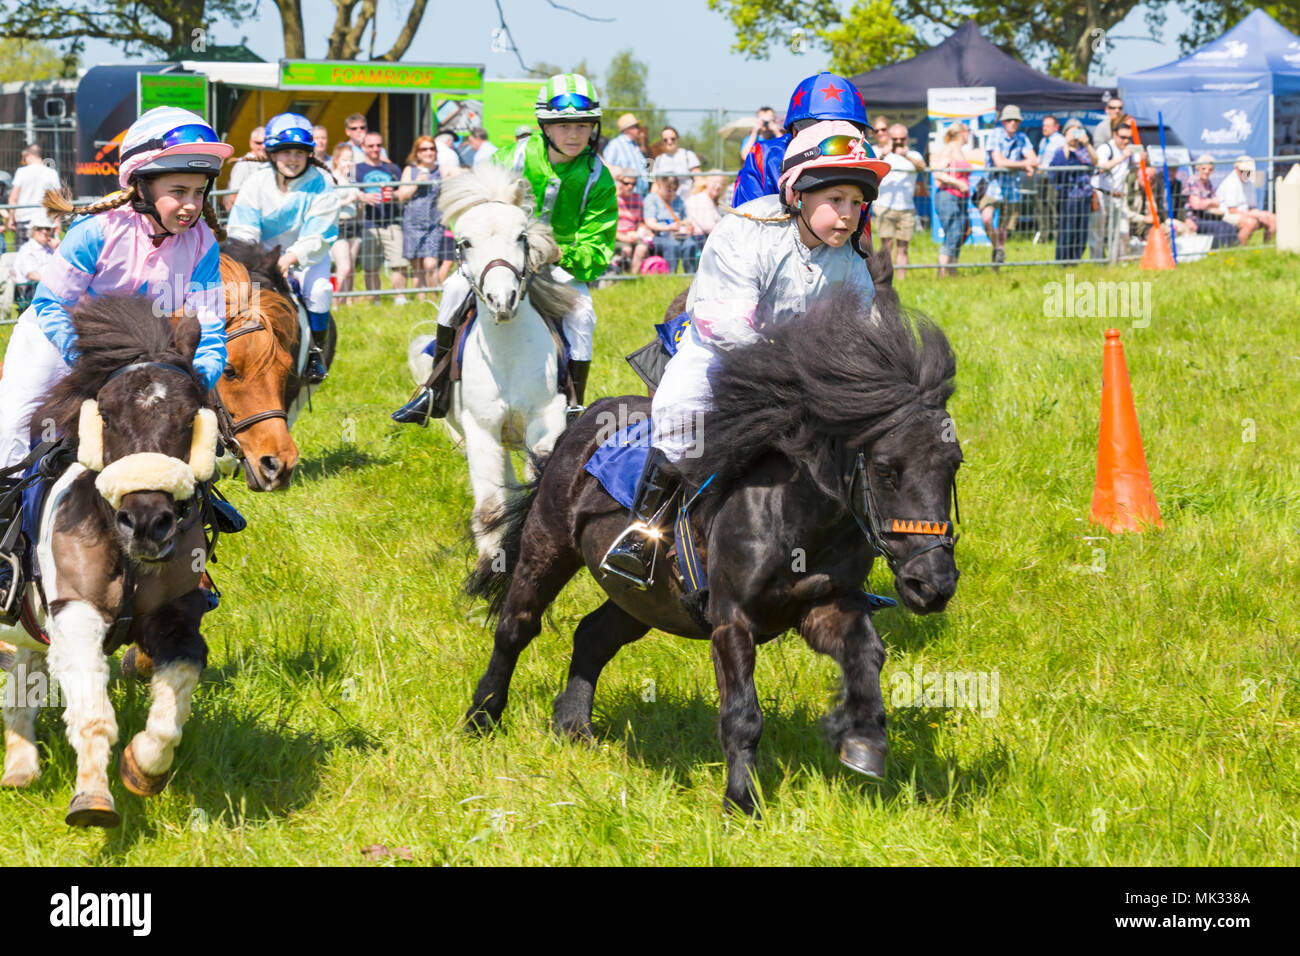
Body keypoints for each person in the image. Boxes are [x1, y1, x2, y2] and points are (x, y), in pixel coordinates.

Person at [600, 121, 890, 587]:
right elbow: (723, 324)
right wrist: (793, 367)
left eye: (857, 203)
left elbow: (863, 329)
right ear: (798, 194)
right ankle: (644, 534)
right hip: (719, 354)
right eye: (835, 200)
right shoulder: (743, 229)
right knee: (681, 409)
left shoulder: (851, 263)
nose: (849, 214)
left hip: (800, 372)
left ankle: (846, 556)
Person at [0, 107, 233, 614]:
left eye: (198, 192)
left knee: (185, 440)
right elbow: (50, 306)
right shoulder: (96, 232)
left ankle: (189, 566)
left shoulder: (202, 244)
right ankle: (5, 561)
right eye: (180, 191)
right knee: (14, 441)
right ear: (142, 187)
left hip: (141, 364)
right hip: (57, 349)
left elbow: (210, 326)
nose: (191, 205)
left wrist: (199, 379)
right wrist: (94, 366)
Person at [394, 73, 617, 425]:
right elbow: (473, 202)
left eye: (582, 125)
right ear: (544, 127)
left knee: (583, 315)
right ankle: (433, 390)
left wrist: (560, 254)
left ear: (594, 126)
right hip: (499, 256)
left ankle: (574, 405)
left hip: (558, 266)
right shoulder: (512, 157)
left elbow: (598, 243)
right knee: (453, 288)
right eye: (563, 126)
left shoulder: (598, 177)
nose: (573, 134)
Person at [227, 112, 341, 384]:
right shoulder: (256, 182)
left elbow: (319, 233)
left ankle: (315, 353)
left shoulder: (322, 183)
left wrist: (290, 258)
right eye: (285, 152)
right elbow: (243, 228)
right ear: (272, 153)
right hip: (261, 257)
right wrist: (257, 260)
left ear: (309, 154)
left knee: (319, 291)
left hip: (307, 256)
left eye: (299, 153)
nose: (292, 158)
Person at [732, 72, 870, 207]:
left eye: (844, 130)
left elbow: (862, 225)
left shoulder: (858, 160)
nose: (832, 138)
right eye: (820, 131)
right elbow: (744, 222)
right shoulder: (764, 156)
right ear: (794, 131)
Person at [354, 130, 408, 306]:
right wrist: (364, 197)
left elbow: (402, 191)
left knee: (399, 263)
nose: (375, 149)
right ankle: (374, 301)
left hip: (392, 222)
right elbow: (351, 192)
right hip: (369, 223)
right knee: (371, 266)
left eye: (378, 145)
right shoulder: (358, 169)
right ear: (363, 147)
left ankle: (400, 299)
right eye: (371, 146)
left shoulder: (392, 168)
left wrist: (394, 195)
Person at [397, 135, 454, 300]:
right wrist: (416, 182)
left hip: (434, 223)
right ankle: (422, 302)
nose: (428, 152)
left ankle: (436, 299)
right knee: (417, 266)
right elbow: (402, 195)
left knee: (431, 264)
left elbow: (459, 174)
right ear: (417, 153)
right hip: (413, 223)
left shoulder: (441, 170)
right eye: (424, 149)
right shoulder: (410, 170)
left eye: (431, 149)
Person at [982, 105, 1038, 266]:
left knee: (1003, 229)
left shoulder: (1022, 138)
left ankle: (997, 263)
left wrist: (1020, 164)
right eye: (1009, 120)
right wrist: (1023, 165)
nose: (1012, 123)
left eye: (1015, 120)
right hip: (994, 185)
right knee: (986, 219)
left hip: (1012, 188)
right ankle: (999, 248)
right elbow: (999, 162)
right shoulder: (995, 135)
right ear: (1003, 122)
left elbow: (1034, 160)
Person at [875, 123, 925, 277]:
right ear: (890, 138)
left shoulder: (914, 155)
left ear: (907, 138)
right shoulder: (882, 153)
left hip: (906, 208)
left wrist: (905, 154)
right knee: (886, 246)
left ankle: (901, 278)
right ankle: (885, 277)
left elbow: (922, 167)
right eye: (895, 139)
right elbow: (873, 166)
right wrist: (885, 153)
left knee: (903, 247)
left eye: (901, 139)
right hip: (885, 206)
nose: (898, 142)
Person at [1090, 116, 1135, 262]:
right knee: (1098, 233)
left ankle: (1116, 262)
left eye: (1129, 138)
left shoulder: (1129, 150)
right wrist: (1122, 157)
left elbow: (1139, 165)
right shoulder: (1106, 148)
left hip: (1118, 196)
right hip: (1101, 194)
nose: (1126, 141)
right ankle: (1097, 264)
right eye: (1122, 137)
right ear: (1114, 135)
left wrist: (1144, 158)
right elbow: (1101, 167)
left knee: (1122, 232)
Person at [1049, 123, 1096, 262]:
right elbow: (1056, 170)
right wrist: (1067, 146)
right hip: (1068, 196)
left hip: (1085, 196)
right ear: (1065, 134)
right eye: (1071, 132)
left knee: (1081, 231)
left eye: (1078, 132)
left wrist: (1087, 144)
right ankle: (1063, 260)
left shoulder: (1085, 150)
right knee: (1067, 229)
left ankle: (1076, 259)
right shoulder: (1060, 151)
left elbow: (1095, 161)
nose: (1075, 135)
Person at [930, 123, 972, 278]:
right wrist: (958, 183)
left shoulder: (959, 150)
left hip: (960, 199)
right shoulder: (948, 149)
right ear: (962, 132)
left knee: (958, 234)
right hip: (948, 197)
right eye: (968, 132)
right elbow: (938, 174)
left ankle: (952, 274)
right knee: (953, 234)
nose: (969, 135)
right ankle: (942, 274)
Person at [643, 174, 700, 274]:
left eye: (675, 190)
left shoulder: (679, 200)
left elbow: (684, 219)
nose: (672, 193)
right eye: (669, 190)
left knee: (690, 244)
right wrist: (668, 228)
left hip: (678, 236)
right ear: (661, 185)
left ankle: (690, 275)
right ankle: (671, 275)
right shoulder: (651, 199)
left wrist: (687, 227)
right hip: (658, 236)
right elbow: (650, 223)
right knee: (672, 245)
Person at [8, 144, 62, 245]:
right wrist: (57, 220)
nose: (23, 161)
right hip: (45, 220)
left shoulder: (21, 172)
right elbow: (57, 200)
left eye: (24, 158)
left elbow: (14, 197)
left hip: (24, 218)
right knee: (45, 253)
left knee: (22, 254)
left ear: (29, 155)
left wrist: (11, 218)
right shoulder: (51, 173)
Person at [1215, 155, 1275, 245]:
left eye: (1249, 171)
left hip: (1244, 213)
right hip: (1226, 215)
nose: (1246, 173)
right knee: (1251, 222)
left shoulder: (1249, 183)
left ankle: (1266, 248)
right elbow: (1232, 210)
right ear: (1236, 169)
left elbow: (1251, 207)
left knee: (1273, 219)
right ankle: (1241, 249)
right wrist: (1257, 215)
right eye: (1243, 170)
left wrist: (1260, 215)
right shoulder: (1230, 183)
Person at [329, 143, 363, 300]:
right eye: (344, 160)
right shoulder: (331, 178)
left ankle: (347, 301)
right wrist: (348, 199)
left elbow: (358, 198)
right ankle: (334, 300)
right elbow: (327, 203)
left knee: (352, 266)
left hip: (353, 223)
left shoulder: (351, 177)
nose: (348, 163)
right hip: (339, 224)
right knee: (344, 268)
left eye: (350, 159)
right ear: (336, 160)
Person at [1185, 155, 1239, 248]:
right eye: (1204, 168)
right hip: (1195, 218)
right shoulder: (1193, 181)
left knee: (1229, 227)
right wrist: (1210, 202)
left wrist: (1205, 202)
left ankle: (1234, 249)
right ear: (1198, 168)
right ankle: (1219, 251)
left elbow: (1217, 202)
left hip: (1207, 216)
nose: (1207, 171)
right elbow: (1197, 205)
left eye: (1210, 169)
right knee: (1219, 228)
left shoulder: (1208, 183)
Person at [613, 167, 650, 274]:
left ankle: (633, 278)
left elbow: (640, 222)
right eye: (626, 183)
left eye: (633, 184)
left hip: (633, 234)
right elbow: (608, 226)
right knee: (626, 250)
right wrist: (623, 237)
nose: (630, 187)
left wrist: (642, 231)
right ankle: (621, 277)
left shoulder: (638, 198)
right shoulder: (612, 198)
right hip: (616, 235)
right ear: (619, 182)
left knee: (642, 247)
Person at [1035, 115, 1066, 241]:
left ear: (1056, 127)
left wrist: (1046, 167)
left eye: (1048, 125)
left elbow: (1060, 159)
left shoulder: (1060, 140)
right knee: (1041, 207)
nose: (1045, 128)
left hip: (1054, 178)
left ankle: (1056, 234)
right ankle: (1044, 235)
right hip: (1042, 178)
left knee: (1053, 206)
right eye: (1043, 125)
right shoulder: (1043, 141)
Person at [602, 113, 649, 195]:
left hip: (639, 197)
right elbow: (606, 169)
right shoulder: (615, 144)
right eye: (636, 126)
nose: (639, 129)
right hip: (622, 197)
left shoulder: (635, 146)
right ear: (627, 129)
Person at [224, 126, 265, 210]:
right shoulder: (243, 165)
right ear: (251, 143)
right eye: (259, 143)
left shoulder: (269, 163)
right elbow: (233, 196)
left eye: (266, 142)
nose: (263, 146)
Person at [11, 210, 59, 283]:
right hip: (32, 288)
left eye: (47, 228)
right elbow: (31, 275)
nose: (44, 231)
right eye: (39, 228)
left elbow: (62, 269)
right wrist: (53, 284)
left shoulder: (51, 249)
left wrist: (58, 249)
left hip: (49, 286)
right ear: (32, 231)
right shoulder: (26, 249)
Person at [651, 127, 701, 192]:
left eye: (672, 139)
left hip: (685, 199)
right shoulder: (658, 159)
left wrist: (692, 197)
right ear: (662, 142)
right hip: (664, 201)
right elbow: (656, 184)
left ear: (677, 139)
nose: (669, 142)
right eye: (665, 140)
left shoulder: (688, 155)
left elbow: (699, 180)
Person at [684, 173, 725, 237]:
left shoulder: (714, 201)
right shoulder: (699, 199)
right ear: (707, 182)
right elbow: (707, 226)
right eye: (715, 182)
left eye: (721, 184)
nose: (718, 186)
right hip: (699, 240)